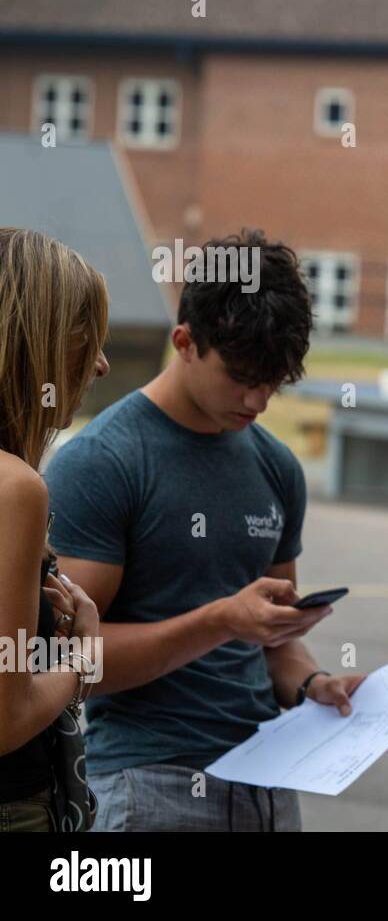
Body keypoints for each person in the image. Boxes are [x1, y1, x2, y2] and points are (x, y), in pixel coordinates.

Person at [45, 228, 365, 831]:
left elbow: (273, 639)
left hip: (270, 782)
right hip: (148, 784)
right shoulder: (102, 463)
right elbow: (70, 662)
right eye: (242, 376)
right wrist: (220, 621)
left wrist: (313, 683)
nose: (258, 400)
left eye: (274, 382)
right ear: (185, 342)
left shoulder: (276, 467)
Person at [0, 228, 110, 832]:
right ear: (34, 344)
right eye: (87, 341)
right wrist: (81, 659)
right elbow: (5, 718)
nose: (100, 364)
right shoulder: (15, 488)